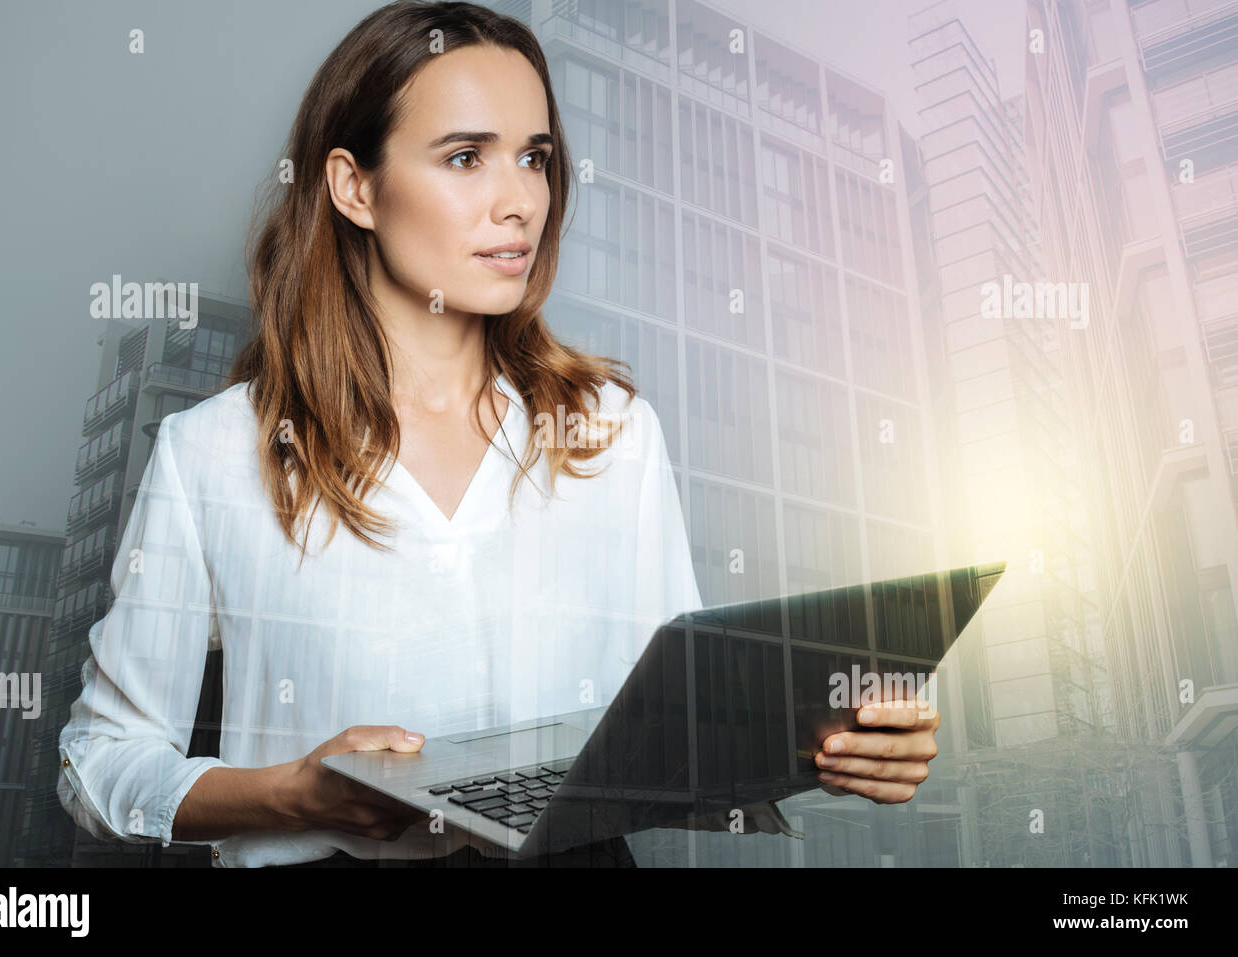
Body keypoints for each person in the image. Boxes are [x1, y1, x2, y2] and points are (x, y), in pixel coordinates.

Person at [57, 0, 940, 869]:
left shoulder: (609, 431)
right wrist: (293, 792)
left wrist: (836, 745)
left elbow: (684, 732)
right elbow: (100, 762)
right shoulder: (214, 453)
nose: (519, 200)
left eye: (535, 158)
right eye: (466, 157)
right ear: (354, 186)